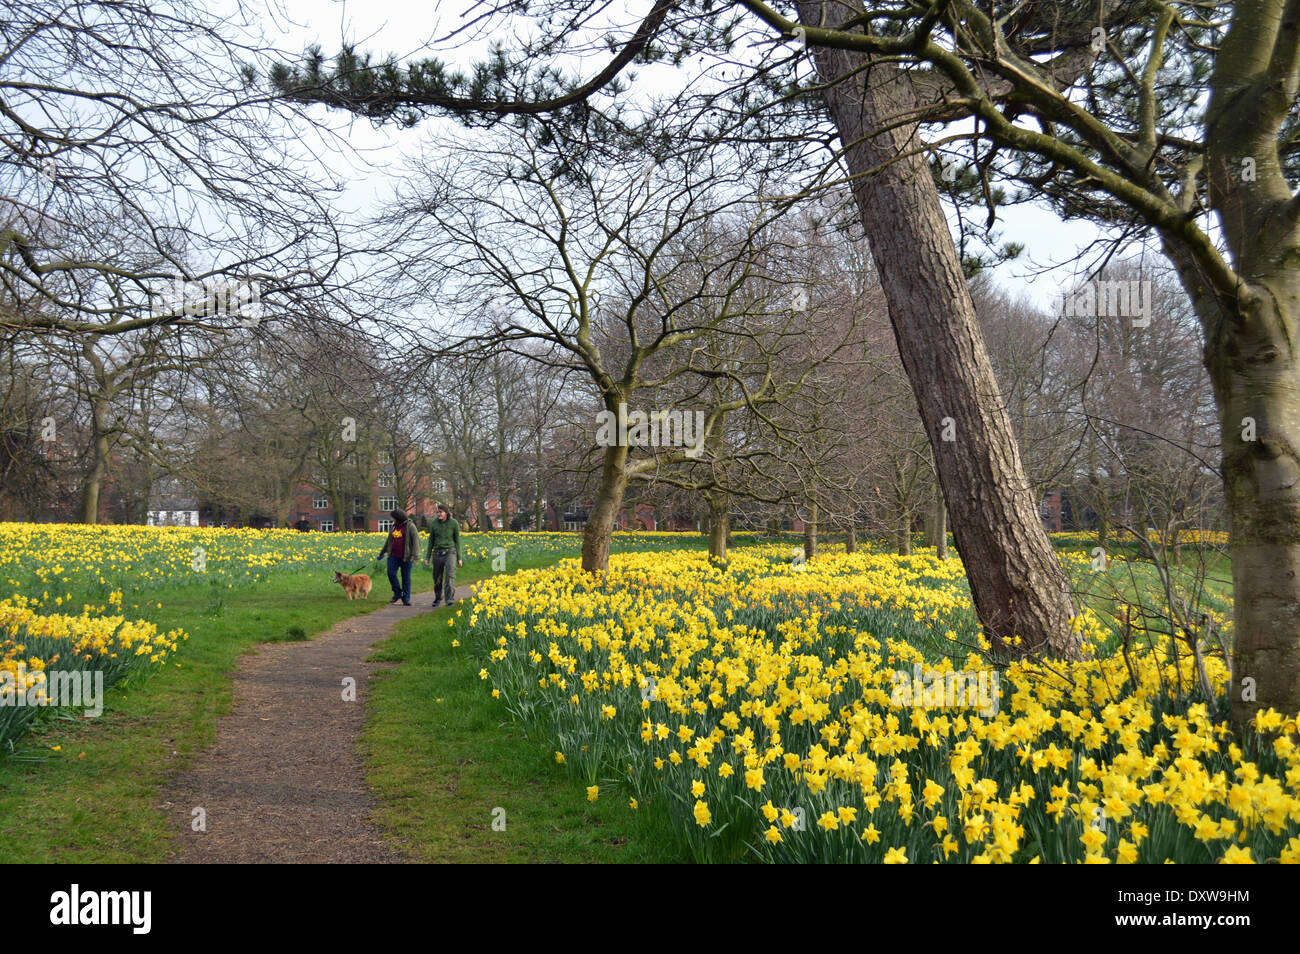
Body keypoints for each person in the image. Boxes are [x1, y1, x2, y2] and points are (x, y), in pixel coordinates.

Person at [377, 507, 419, 606]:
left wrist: (415, 555)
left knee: (406, 578)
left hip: (406, 557)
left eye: (393, 518)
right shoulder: (393, 526)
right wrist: (382, 552)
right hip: (393, 556)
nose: (392, 519)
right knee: (390, 573)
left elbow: (416, 541)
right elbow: (389, 541)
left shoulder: (410, 526)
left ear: (398, 517)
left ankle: (406, 598)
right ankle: (397, 592)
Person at [423, 503, 463, 607]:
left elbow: (457, 541)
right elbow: (431, 541)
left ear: (446, 512)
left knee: (449, 577)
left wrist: (459, 558)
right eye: (437, 512)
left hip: (450, 552)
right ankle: (437, 597)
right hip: (437, 553)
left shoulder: (454, 523)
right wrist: (427, 557)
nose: (438, 514)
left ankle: (449, 599)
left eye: (440, 512)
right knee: (437, 578)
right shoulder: (433, 524)